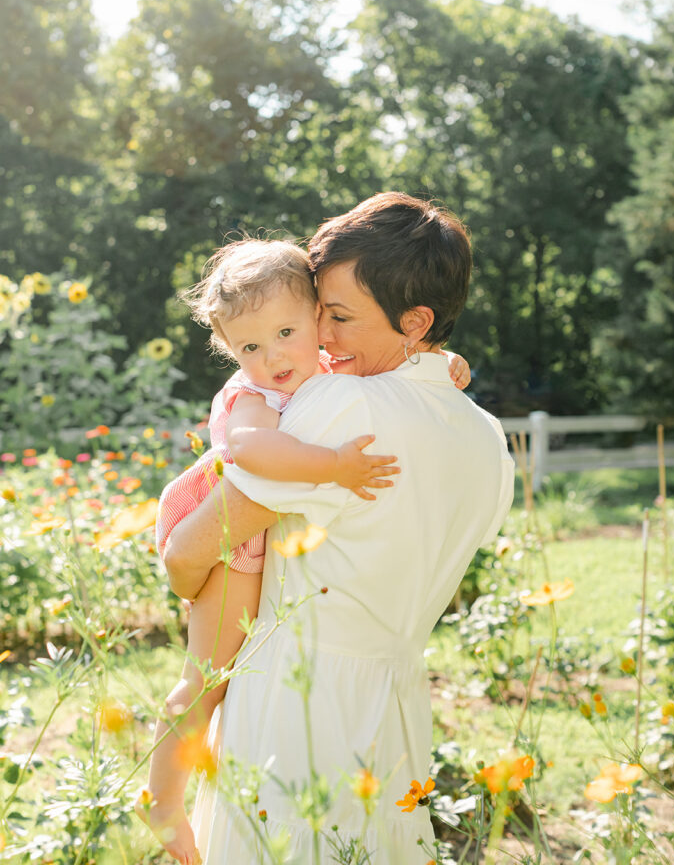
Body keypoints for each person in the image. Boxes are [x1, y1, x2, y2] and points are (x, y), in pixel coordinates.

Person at [163, 192, 514, 865]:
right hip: (399, 708)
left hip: (291, 702)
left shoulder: (338, 404)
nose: (321, 336)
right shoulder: (485, 436)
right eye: (318, 310)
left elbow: (185, 556)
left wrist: (187, 571)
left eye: (340, 316)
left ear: (415, 321)